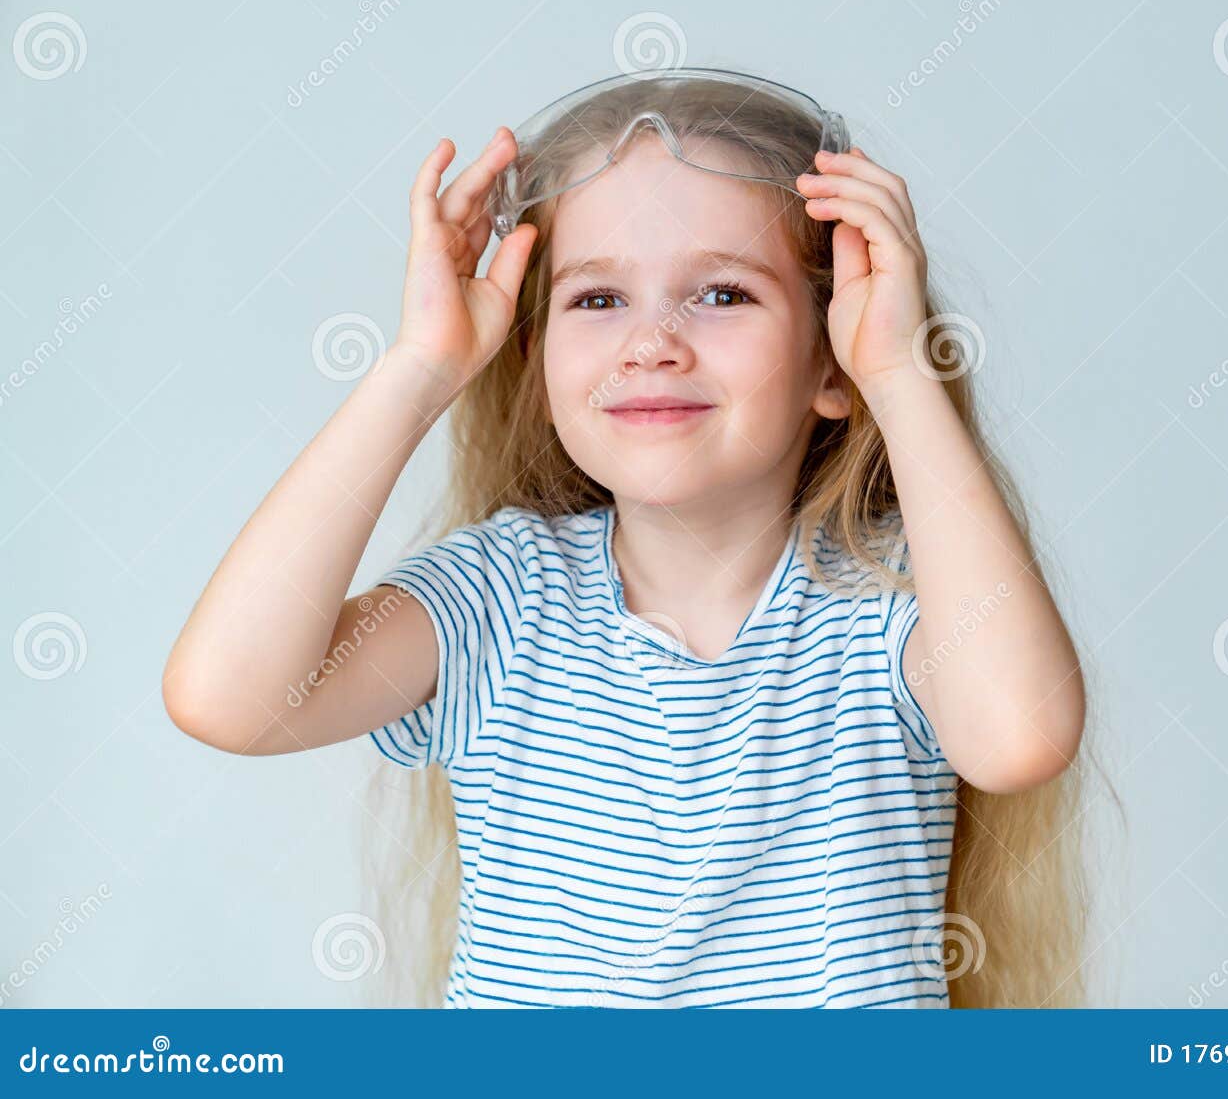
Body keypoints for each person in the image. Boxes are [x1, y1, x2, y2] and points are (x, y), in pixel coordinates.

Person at [163, 68, 1095, 1008]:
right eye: (598, 300)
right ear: (539, 363)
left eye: (723, 295)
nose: (652, 342)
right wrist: (421, 366)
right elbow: (231, 699)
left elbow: (1020, 736)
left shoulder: (894, 595)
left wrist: (897, 371)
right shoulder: (500, 599)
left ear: (831, 360)